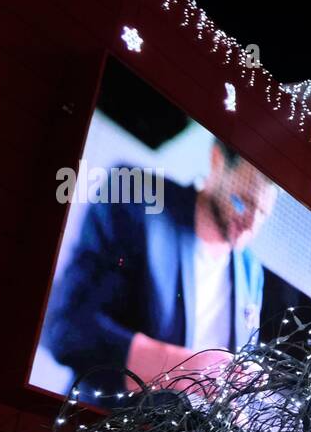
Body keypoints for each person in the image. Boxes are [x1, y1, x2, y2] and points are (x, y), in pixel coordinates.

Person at [45, 137, 275, 400]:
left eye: (263, 214)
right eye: (241, 202)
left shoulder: (251, 271)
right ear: (216, 160)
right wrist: (186, 369)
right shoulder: (136, 195)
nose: (251, 226)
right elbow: (68, 329)